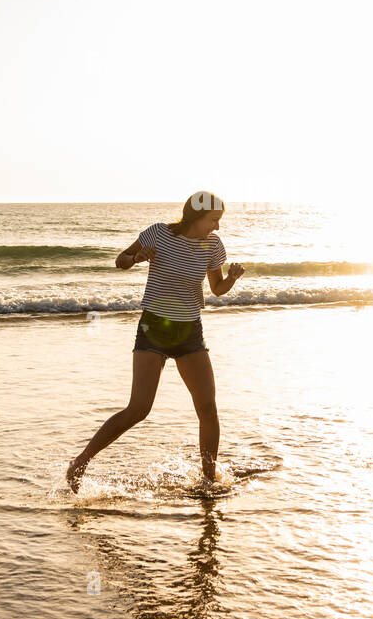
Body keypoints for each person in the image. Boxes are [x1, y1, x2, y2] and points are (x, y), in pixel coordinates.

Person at [66, 191, 246, 492]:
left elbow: (217, 289)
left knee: (207, 407)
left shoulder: (212, 245)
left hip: (189, 331)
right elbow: (119, 260)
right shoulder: (159, 233)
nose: (217, 227)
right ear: (195, 216)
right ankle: (79, 463)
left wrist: (232, 278)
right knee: (138, 409)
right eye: (213, 220)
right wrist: (137, 257)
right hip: (154, 329)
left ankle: (209, 479)